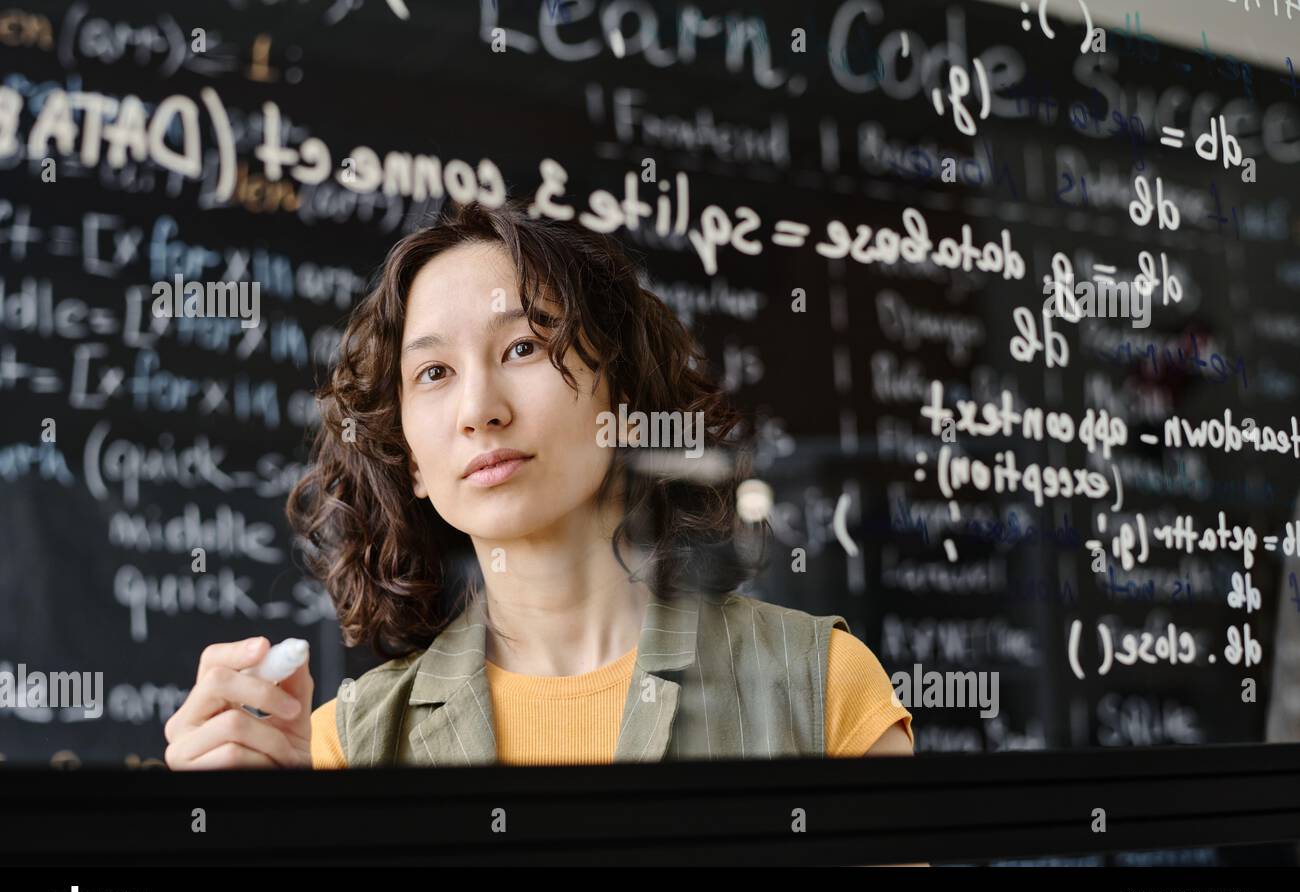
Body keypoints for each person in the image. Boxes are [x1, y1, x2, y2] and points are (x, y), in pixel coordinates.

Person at [163, 197, 914, 773]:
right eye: (434, 373)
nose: (479, 409)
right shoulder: (338, 753)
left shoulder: (821, 688)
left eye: (522, 345)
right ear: (412, 461)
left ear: (621, 397)